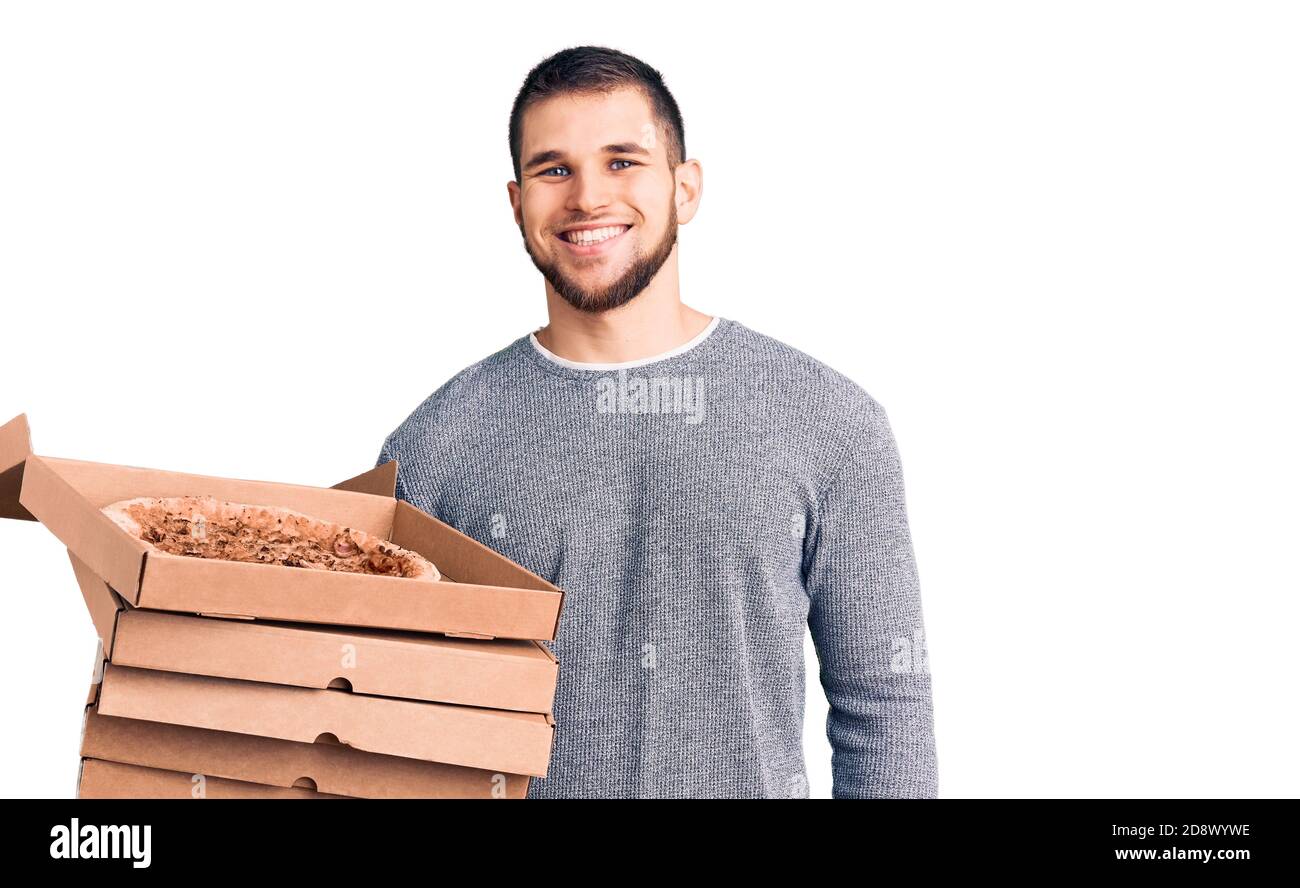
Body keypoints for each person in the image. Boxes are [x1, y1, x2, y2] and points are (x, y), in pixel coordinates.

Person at [378, 45, 938, 798]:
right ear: (517, 203)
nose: (586, 198)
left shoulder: (828, 421)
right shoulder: (431, 448)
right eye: (554, 169)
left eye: (622, 161)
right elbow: (389, 721)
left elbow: (885, 710)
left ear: (686, 187)